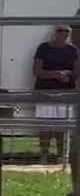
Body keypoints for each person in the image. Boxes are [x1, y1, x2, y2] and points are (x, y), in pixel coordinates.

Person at [33, 25, 80, 176]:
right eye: (60, 30)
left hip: (65, 91)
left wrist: (68, 75)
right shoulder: (44, 48)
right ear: (54, 32)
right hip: (45, 90)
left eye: (67, 31)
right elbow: (37, 70)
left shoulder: (73, 50)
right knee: (45, 125)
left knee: (62, 125)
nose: (64, 34)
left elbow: (77, 71)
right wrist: (55, 74)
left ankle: (61, 156)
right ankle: (44, 156)